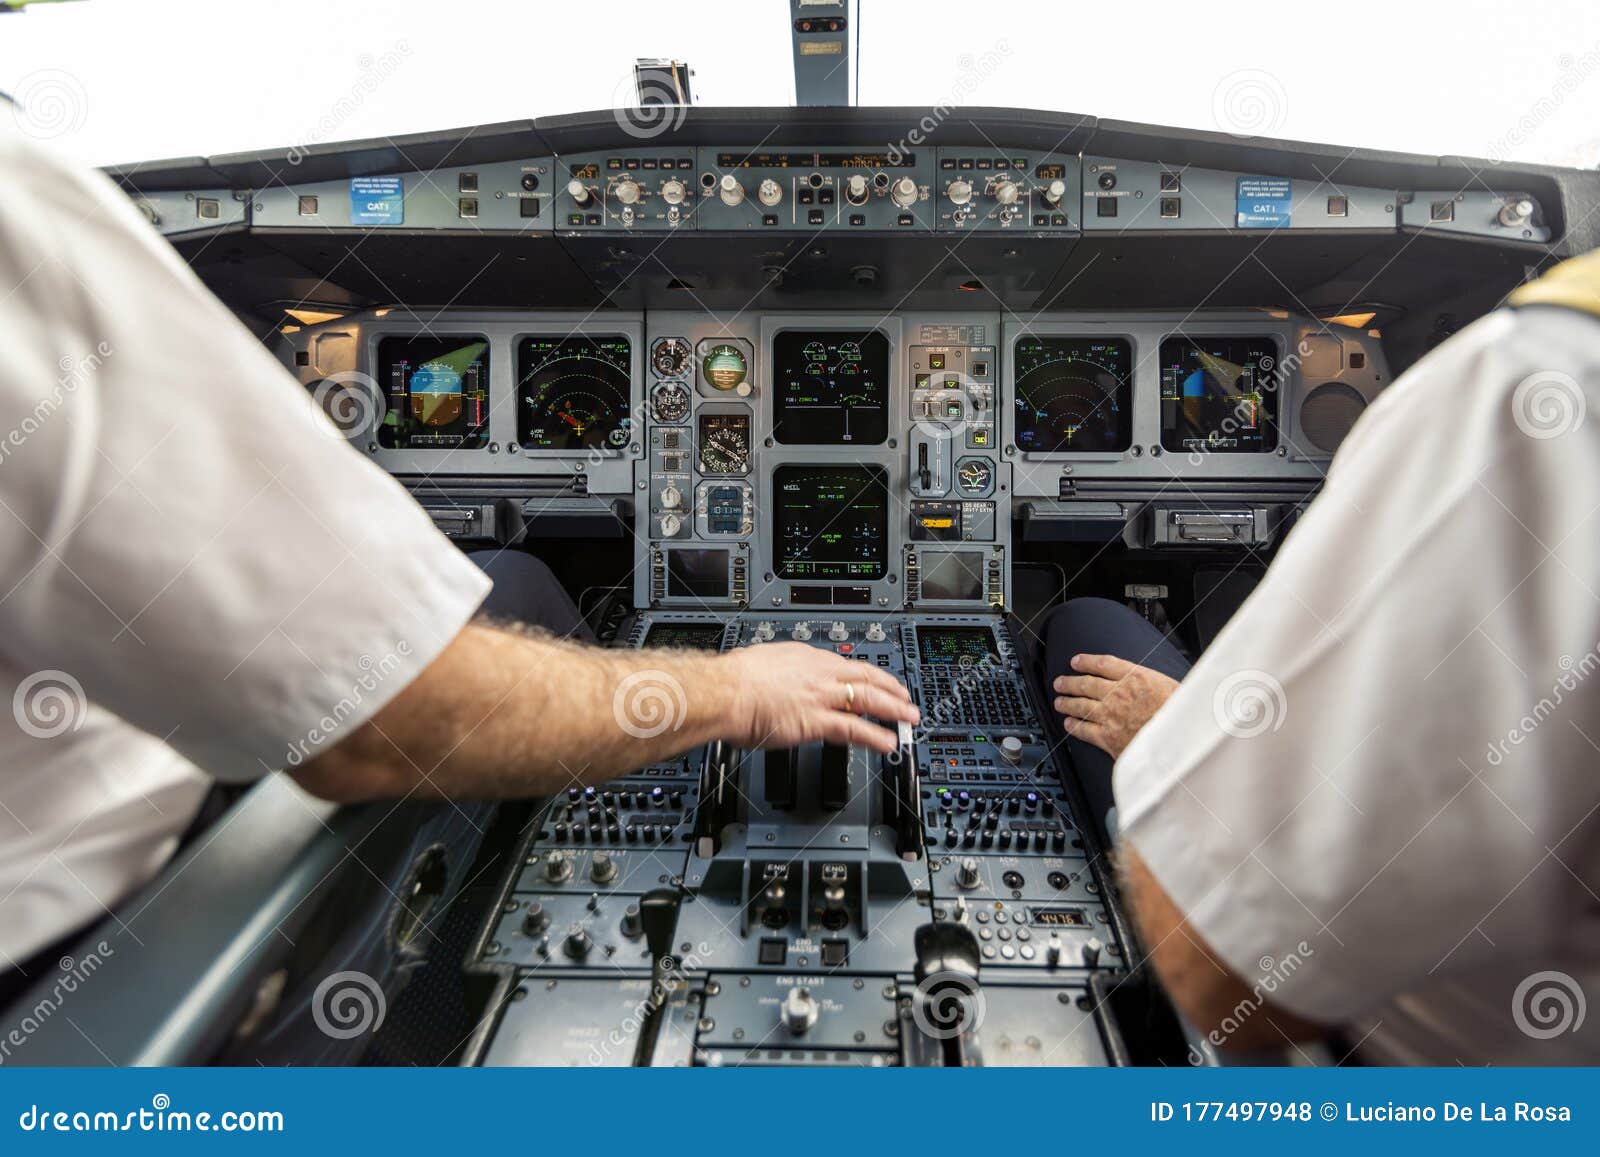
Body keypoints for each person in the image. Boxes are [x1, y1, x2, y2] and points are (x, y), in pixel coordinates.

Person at [0, 116, 918, 991]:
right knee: (509, 586)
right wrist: (731, 689)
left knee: (513, 576)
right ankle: (564, 791)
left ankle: (566, 799)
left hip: (114, 836)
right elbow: (365, 707)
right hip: (105, 933)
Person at [1041, 250, 1600, 1064]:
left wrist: (1174, 737)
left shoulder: (1546, 368)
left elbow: (1216, 974)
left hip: (1350, 1057)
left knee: (1083, 623)